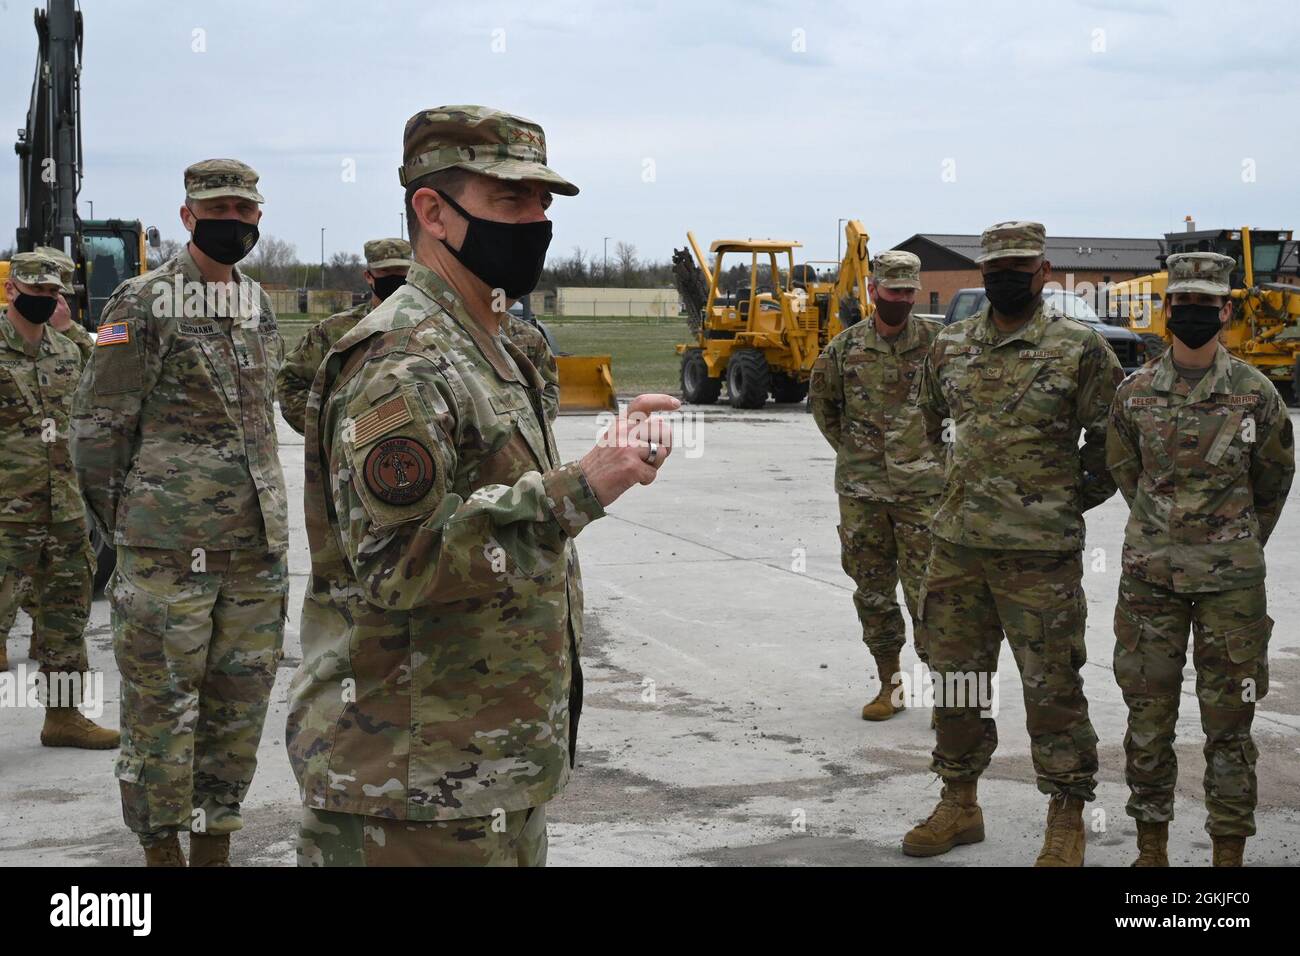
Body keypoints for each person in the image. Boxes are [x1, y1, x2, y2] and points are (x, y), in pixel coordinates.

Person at [287, 105, 675, 866]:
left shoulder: (488, 345)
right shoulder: (403, 359)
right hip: (409, 786)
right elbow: (401, 563)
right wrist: (579, 489)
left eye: (541, 204)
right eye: (509, 201)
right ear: (432, 210)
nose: (535, 222)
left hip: (483, 770)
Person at [71, 159, 288, 867]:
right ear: (190, 215)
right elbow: (98, 434)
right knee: (163, 715)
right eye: (220, 207)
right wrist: (135, 527)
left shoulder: (255, 302)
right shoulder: (141, 303)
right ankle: (162, 854)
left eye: (247, 210)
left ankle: (215, 848)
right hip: (166, 555)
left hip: (254, 555)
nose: (236, 220)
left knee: (237, 712)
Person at [904, 221, 1121, 865]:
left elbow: (1112, 442)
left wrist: (1062, 499)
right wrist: (959, 490)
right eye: (995, 267)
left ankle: (1066, 813)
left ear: (1044, 271)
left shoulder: (1078, 349)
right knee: (957, 679)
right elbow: (929, 420)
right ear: (982, 273)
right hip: (958, 549)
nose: (1005, 276)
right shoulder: (952, 345)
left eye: (1019, 267)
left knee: (1051, 683)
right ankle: (960, 801)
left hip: (1039, 555)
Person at [1107, 251, 1294, 867]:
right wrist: (1166, 532)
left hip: (1231, 587)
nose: (1192, 313)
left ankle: (1228, 856)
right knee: (1148, 718)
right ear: (1167, 310)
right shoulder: (1133, 394)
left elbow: (1273, 481)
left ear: (1226, 310)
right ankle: (1151, 849)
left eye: (1205, 305)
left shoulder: (1255, 394)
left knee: (1230, 726)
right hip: (1149, 583)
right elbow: (1125, 470)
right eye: (1182, 303)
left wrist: (1232, 542)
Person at [810, 250, 945, 721]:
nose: (901, 300)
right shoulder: (844, 349)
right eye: (893, 291)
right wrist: (856, 455)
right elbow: (825, 408)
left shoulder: (940, 344)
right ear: (873, 291)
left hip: (924, 494)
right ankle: (889, 683)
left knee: (930, 594)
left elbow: (961, 410)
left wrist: (933, 457)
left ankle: (944, 695)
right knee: (872, 592)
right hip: (862, 495)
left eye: (909, 291)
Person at [0, 251, 118, 748]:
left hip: (65, 513)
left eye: (54, 293)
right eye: (36, 291)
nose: (45, 300)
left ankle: (63, 717)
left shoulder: (67, 351)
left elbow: (109, 372)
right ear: (11, 290)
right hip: (7, 516)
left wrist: (73, 332)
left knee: (66, 621)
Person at [276, 237, 411, 434]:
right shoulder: (334, 331)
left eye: (400, 271)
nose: (393, 277)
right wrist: (332, 432)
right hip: (350, 452)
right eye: (384, 272)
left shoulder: (432, 325)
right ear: (368, 276)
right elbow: (291, 382)